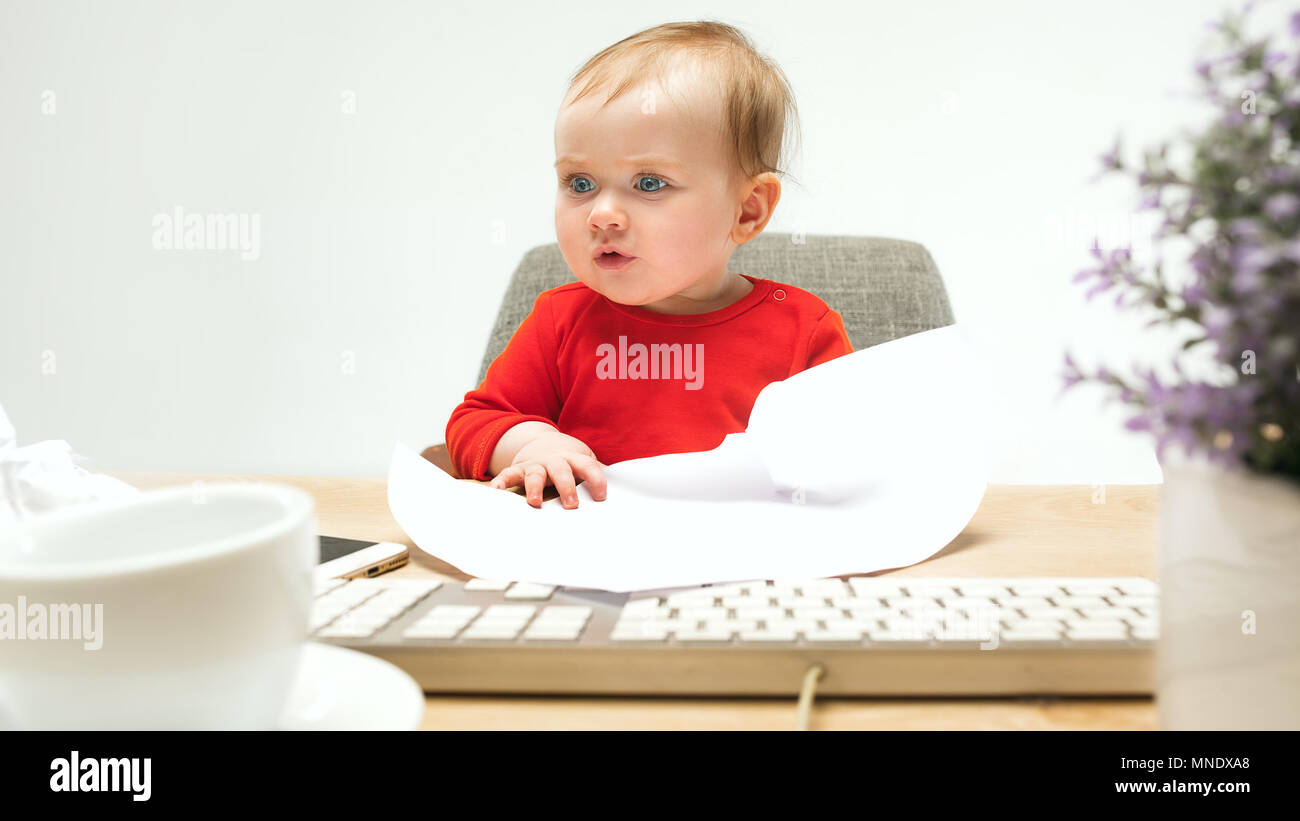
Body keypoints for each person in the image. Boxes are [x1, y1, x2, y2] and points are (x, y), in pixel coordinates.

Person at [445, 21, 853, 509]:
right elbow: (476, 422)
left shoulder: (803, 330)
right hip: (589, 563)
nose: (601, 214)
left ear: (747, 210)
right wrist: (533, 445)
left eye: (649, 184)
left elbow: (856, 459)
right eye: (579, 183)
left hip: (745, 566)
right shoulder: (560, 322)